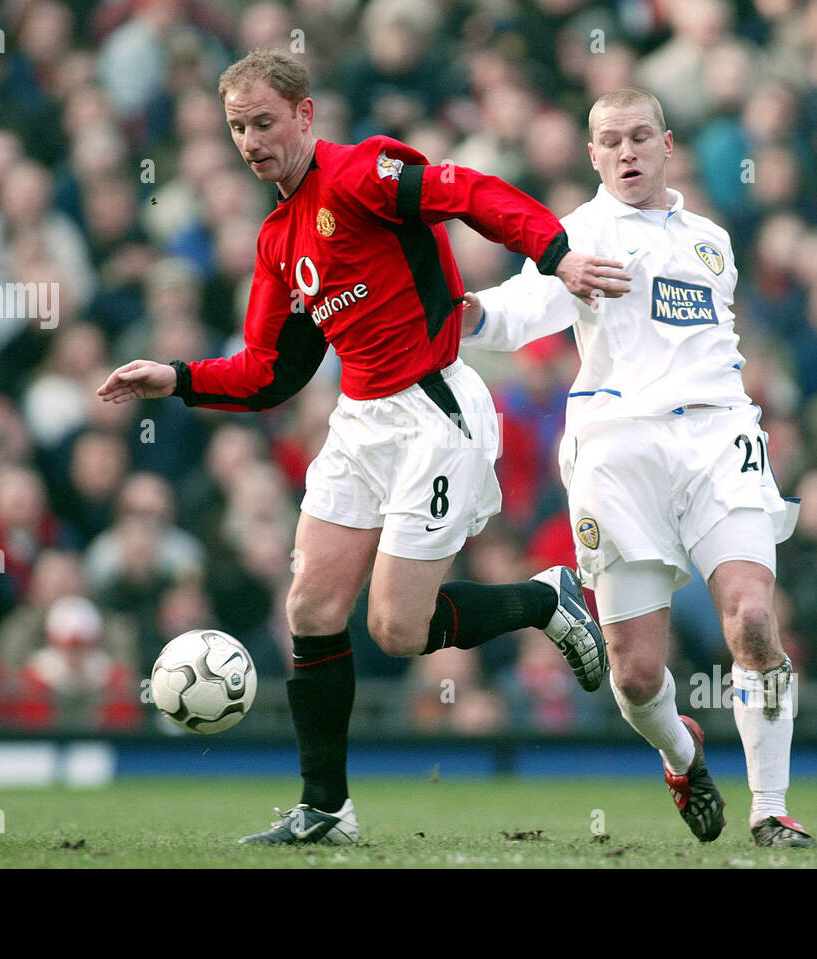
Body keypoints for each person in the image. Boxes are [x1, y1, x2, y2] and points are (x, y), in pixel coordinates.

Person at [97, 50, 629, 845]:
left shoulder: (363, 173)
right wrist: (172, 378)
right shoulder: (278, 240)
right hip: (360, 420)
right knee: (309, 603)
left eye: (265, 122)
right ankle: (325, 808)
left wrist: (555, 255)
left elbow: (472, 191)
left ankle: (545, 599)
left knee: (395, 630)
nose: (250, 140)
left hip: (435, 406)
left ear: (305, 116)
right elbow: (270, 373)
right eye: (238, 127)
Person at [461, 87, 814, 848]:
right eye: (610, 140)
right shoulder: (578, 234)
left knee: (752, 618)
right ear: (592, 155)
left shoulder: (713, 240)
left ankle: (772, 809)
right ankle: (681, 753)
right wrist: (455, 313)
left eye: (640, 137)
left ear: (667, 143)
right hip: (618, 451)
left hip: (720, 437)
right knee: (636, 676)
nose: (626, 152)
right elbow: (522, 310)